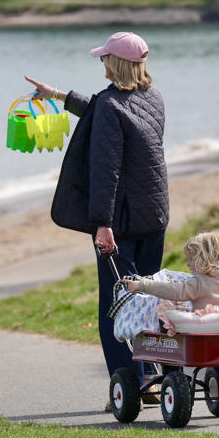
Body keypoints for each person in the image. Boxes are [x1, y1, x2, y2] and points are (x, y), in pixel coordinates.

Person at [25, 32, 168, 409]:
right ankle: (150, 379)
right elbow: (105, 111)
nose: (101, 63)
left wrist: (102, 223)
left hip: (119, 224)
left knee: (116, 304)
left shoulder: (110, 106)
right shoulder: (151, 99)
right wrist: (56, 95)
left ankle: (128, 386)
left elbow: (106, 169)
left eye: (104, 58)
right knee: (148, 299)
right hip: (154, 217)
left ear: (115, 64)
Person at [123, 231, 219, 312]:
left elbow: (174, 291)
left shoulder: (200, 282)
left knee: (168, 315)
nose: (188, 264)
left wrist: (142, 285)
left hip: (206, 333)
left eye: (191, 259)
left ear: (205, 259)